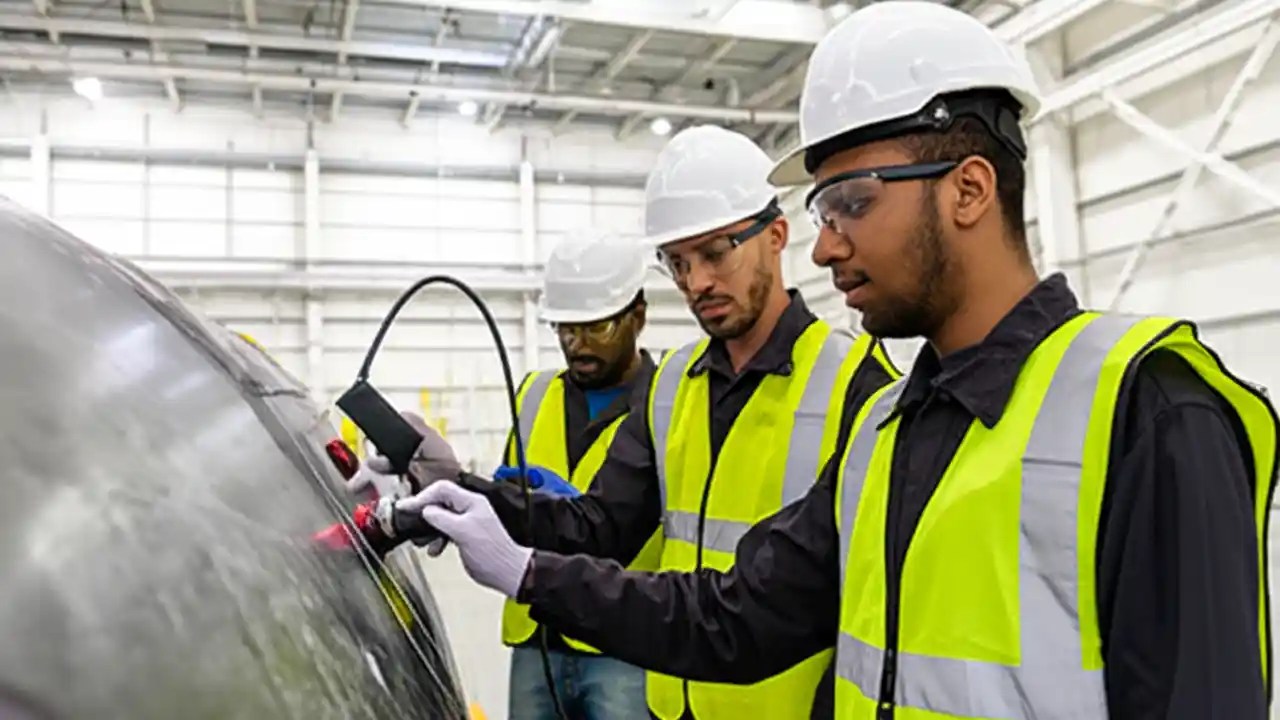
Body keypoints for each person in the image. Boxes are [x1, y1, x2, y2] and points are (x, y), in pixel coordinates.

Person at [400, 3, 1279, 718]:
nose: (825, 250)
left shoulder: (1149, 414)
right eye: (824, 207)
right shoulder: (889, 433)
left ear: (970, 189)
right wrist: (519, 564)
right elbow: (732, 617)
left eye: (853, 202)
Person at [378, 125, 901, 720]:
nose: (696, 283)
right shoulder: (673, 386)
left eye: (716, 252)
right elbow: (597, 527)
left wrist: (530, 573)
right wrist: (461, 492)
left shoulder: (858, 384)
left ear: (776, 235)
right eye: (676, 263)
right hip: (670, 705)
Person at [496, 232, 661, 720]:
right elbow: (507, 493)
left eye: (597, 328)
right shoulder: (532, 394)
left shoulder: (669, 403)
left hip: (623, 641)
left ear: (638, 316)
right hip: (537, 634)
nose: (578, 343)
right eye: (566, 329)